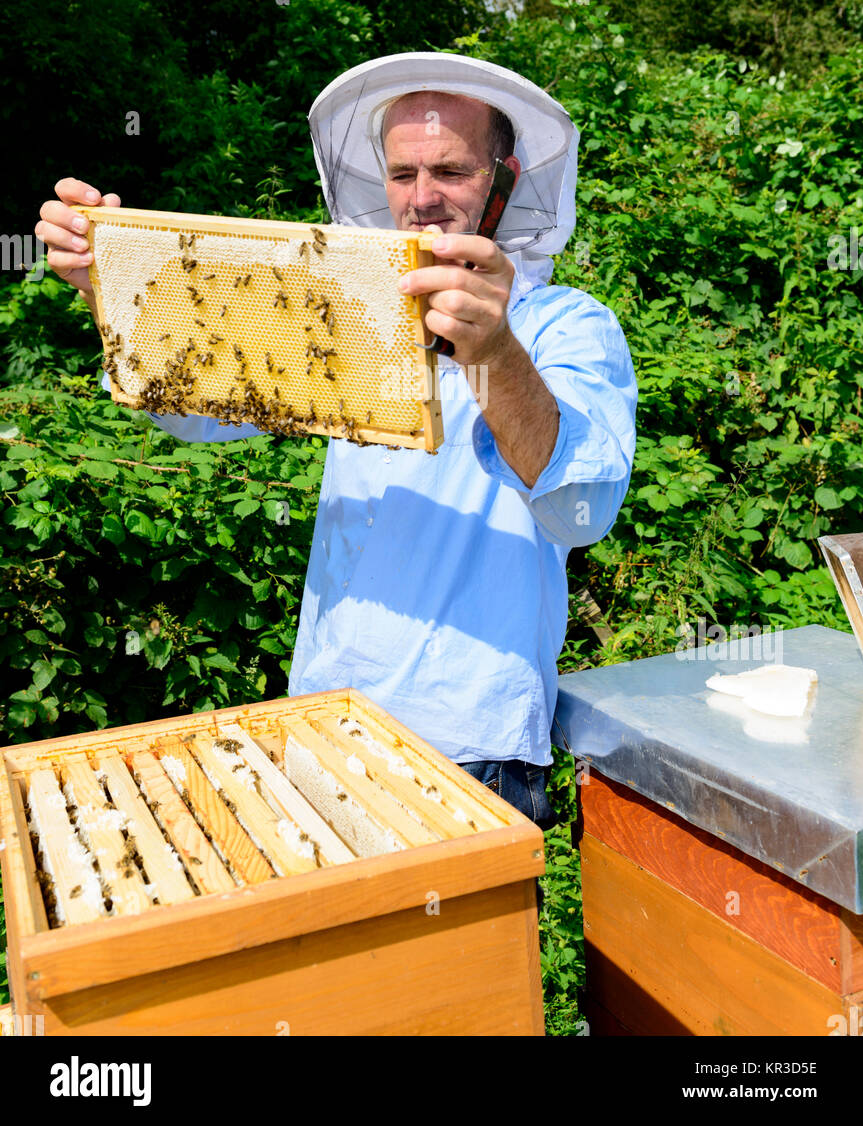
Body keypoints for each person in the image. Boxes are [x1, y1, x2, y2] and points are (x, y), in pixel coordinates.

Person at [39, 52, 637, 831]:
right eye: (402, 174)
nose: (422, 199)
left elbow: (582, 505)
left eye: (450, 170)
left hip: (466, 741)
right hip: (322, 717)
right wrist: (109, 283)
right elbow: (193, 408)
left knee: (450, 960)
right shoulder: (351, 317)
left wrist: (493, 355)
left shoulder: (566, 325)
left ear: (506, 177)